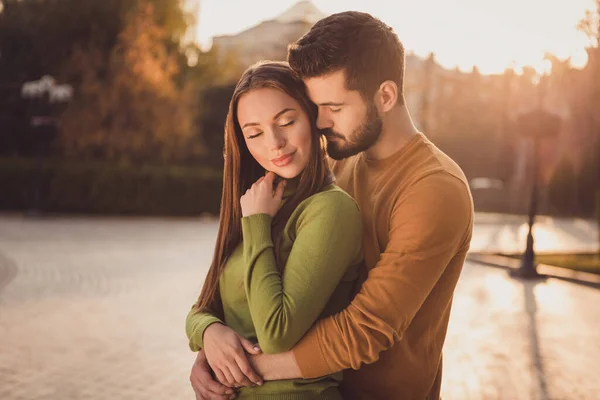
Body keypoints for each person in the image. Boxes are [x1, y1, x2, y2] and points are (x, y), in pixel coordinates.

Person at [190, 11, 474, 400]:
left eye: (334, 108)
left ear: (385, 96)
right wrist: (211, 342)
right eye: (315, 106)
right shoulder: (340, 161)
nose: (319, 121)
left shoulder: (434, 188)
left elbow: (363, 330)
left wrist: (236, 367)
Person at [185, 60, 364, 399]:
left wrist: (256, 225)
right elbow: (203, 307)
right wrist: (208, 335)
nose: (275, 143)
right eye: (254, 133)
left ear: (313, 118)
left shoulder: (330, 209)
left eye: (286, 121)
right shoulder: (260, 201)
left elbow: (276, 332)